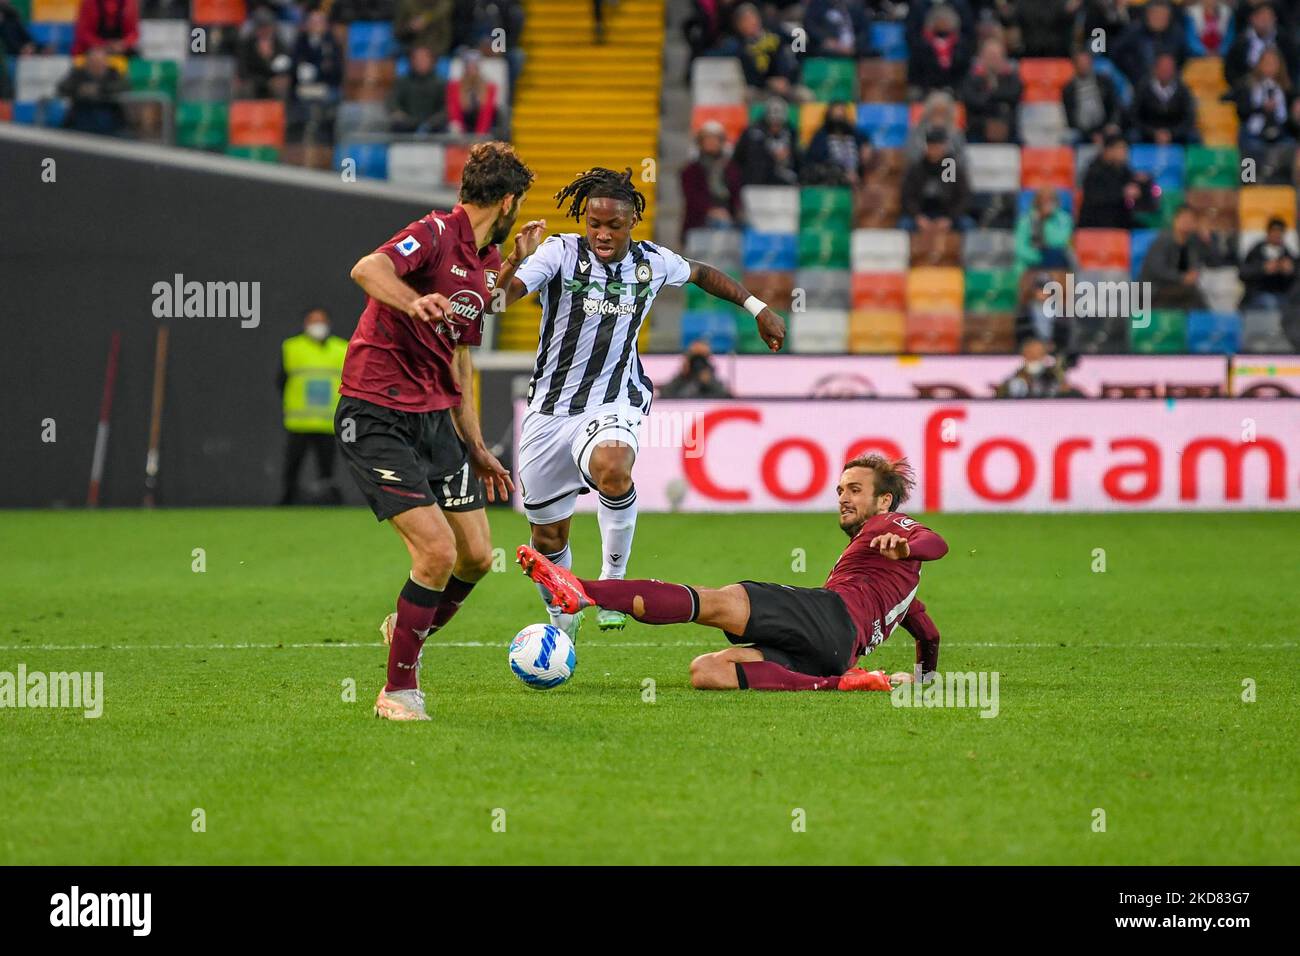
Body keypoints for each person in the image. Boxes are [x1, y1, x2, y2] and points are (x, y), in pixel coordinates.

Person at [496, 167, 786, 638]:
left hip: (614, 399)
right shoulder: (557, 252)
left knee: (614, 467)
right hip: (548, 412)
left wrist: (758, 308)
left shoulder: (652, 262)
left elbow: (704, 274)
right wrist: (512, 261)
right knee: (548, 537)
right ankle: (561, 625)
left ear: (633, 223)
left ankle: (613, 583)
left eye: (613, 225)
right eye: (594, 223)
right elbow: (497, 303)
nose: (602, 233)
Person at [336, 141, 533, 722]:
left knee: (476, 556)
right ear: (508, 200)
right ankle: (397, 691)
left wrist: (476, 446)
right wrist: (413, 301)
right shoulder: (433, 231)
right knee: (437, 552)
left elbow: (463, 355)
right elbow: (367, 268)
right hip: (375, 412)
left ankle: (407, 624)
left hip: (435, 417)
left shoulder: (483, 259)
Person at [517, 455, 946, 692]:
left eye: (855, 490)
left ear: (886, 501)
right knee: (707, 672)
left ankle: (584, 590)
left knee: (718, 601)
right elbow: (929, 635)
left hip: (830, 617)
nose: (843, 498)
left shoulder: (887, 528)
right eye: (839, 490)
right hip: (835, 651)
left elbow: (936, 543)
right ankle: (841, 683)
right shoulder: (900, 590)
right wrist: (925, 679)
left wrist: (908, 543)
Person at [278, 308, 347, 506]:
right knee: (293, 463)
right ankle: (288, 498)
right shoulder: (292, 347)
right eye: (313, 321)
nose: (318, 326)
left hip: (327, 420)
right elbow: (281, 380)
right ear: (305, 324)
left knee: (327, 465)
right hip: (299, 421)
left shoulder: (342, 348)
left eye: (321, 321)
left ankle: (331, 499)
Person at [1138, 204, 1214, 308]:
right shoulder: (1162, 241)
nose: (1187, 223)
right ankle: (1208, 322)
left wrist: (1206, 241)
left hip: (1175, 288)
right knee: (1193, 294)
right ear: (1175, 220)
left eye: (1191, 220)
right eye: (1184, 218)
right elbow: (1157, 270)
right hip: (1153, 288)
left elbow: (1205, 262)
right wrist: (1182, 278)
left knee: (1197, 294)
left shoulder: (1191, 243)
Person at [899, 127, 972, 233]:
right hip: (921, 213)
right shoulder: (917, 168)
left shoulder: (950, 167)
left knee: (967, 224)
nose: (935, 150)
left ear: (944, 146)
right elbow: (907, 196)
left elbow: (962, 196)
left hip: (946, 213)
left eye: (938, 146)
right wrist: (917, 216)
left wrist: (949, 218)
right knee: (904, 224)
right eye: (932, 146)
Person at [679, 120, 742, 240]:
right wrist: (711, 211)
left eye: (715, 139)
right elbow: (692, 198)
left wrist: (732, 213)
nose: (712, 143)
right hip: (699, 222)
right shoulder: (691, 170)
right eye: (708, 139)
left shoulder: (731, 169)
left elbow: (735, 196)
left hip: (728, 218)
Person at [1078, 133, 1155, 229]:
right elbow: (1095, 197)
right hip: (1096, 223)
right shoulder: (1094, 171)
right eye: (1120, 148)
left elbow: (1143, 202)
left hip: (1120, 221)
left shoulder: (1124, 170)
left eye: (1125, 148)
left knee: (1144, 228)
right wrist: (1122, 192)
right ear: (1108, 150)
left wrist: (1145, 182)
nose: (1124, 152)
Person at [1233, 47, 1300, 154]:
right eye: (1267, 63)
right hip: (1253, 134)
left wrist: (1295, 114)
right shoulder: (1247, 86)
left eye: (1274, 63)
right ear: (1259, 64)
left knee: (1291, 146)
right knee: (1251, 148)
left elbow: (1289, 122)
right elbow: (1241, 111)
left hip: (1280, 135)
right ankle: (1250, 170)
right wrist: (1262, 108)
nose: (1270, 67)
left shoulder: (1287, 89)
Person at [723, 2, 799, 97]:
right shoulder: (738, 47)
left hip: (785, 84)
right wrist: (768, 82)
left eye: (752, 17)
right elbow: (749, 76)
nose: (751, 22)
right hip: (760, 89)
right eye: (746, 20)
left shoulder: (775, 34)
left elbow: (793, 54)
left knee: (803, 95)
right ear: (739, 26)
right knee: (748, 95)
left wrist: (786, 78)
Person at [959, 35, 1022, 144]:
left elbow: (1013, 95)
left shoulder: (1012, 78)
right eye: (990, 56)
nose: (993, 60)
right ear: (981, 57)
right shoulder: (971, 78)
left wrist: (987, 95)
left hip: (1008, 132)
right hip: (977, 132)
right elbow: (972, 101)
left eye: (996, 56)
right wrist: (998, 100)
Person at [1112, 0, 1188, 87]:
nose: (1158, 18)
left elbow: (1182, 58)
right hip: (1135, 81)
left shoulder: (1176, 34)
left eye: (1163, 15)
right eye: (1155, 14)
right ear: (1147, 15)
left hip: (1168, 82)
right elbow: (1117, 54)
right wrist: (1133, 70)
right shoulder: (1133, 32)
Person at [1224, 2, 1297, 90]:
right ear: (1252, 19)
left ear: (1275, 19)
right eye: (1261, 17)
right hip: (1248, 89)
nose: (1265, 21)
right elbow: (1231, 71)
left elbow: (1294, 67)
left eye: (1268, 17)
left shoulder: (1285, 41)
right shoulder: (1240, 42)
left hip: (1280, 87)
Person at [57, 46, 127, 135]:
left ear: (106, 62)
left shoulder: (113, 73)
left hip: (109, 115)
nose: (97, 65)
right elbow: (62, 87)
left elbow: (124, 86)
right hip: (81, 116)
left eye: (100, 62)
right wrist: (80, 89)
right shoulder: (78, 73)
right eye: (93, 62)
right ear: (87, 62)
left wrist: (99, 89)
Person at [1132, 52, 1198, 144]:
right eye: (1163, 68)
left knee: (1194, 138)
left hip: (1176, 133)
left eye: (1169, 68)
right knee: (1133, 136)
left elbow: (1189, 118)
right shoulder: (1143, 88)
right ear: (1155, 69)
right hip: (1148, 133)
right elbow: (1134, 116)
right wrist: (1153, 133)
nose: (1166, 71)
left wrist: (1172, 133)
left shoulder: (1183, 90)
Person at [732, 96, 800, 186]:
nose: (776, 126)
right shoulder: (752, 133)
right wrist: (771, 156)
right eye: (773, 123)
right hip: (757, 180)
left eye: (779, 123)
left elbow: (797, 157)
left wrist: (789, 154)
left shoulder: (791, 132)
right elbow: (740, 157)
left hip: (784, 178)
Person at [802, 100, 873, 185]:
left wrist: (866, 145)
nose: (839, 116)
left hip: (857, 174)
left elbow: (865, 141)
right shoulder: (821, 136)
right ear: (829, 116)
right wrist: (842, 173)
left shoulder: (854, 134)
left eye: (841, 114)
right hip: (833, 177)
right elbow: (815, 160)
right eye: (835, 114)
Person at [1063, 49, 1122, 145]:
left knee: (1118, 134)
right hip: (1082, 131)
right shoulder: (1068, 89)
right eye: (1080, 63)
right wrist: (1090, 135)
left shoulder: (1104, 82)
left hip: (1105, 127)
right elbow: (1071, 120)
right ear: (1074, 65)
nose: (1084, 66)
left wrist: (1112, 124)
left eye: (1086, 62)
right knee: (1069, 137)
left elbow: (1115, 106)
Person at [387, 44, 447, 133]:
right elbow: (392, 103)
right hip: (405, 132)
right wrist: (405, 120)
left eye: (424, 58)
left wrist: (430, 123)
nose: (420, 62)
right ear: (411, 61)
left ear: (432, 61)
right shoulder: (402, 82)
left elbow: (446, 109)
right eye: (417, 59)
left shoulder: (441, 83)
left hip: (434, 133)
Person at [1240, 216, 1297, 309]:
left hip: (1282, 295)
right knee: (1270, 302)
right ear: (1268, 232)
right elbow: (1243, 273)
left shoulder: (1287, 253)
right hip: (1258, 295)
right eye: (1274, 231)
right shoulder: (1256, 251)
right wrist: (1263, 268)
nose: (1277, 235)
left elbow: (1295, 277)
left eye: (1280, 232)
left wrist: (1289, 271)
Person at [237, 9, 292, 100]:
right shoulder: (246, 45)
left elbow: (285, 66)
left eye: (267, 27)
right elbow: (242, 69)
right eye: (261, 28)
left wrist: (268, 58)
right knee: (245, 87)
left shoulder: (279, 44)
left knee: (281, 85)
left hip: (273, 78)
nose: (265, 31)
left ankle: (279, 113)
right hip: (254, 79)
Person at [1014, 186, 1073, 270]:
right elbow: (1019, 248)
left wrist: (1045, 222)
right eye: (1044, 201)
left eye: (1050, 200)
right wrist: (1038, 259)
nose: (1047, 204)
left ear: (1056, 202)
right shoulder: (1025, 221)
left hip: (1056, 261)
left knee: (1057, 255)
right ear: (1037, 202)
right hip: (1031, 264)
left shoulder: (1064, 219)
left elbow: (1061, 241)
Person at [446, 50, 499, 136]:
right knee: (453, 126)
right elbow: (454, 111)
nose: (471, 69)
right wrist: (462, 136)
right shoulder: (454, 86)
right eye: (469, 66)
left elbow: (487, 112)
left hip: (482, 131)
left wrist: (479, 136)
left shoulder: (490, 87)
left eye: (474, 66)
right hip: (462, 131)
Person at [904, 90, 966, 160]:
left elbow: (961, 161)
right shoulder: (915, 131)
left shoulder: (956, 133)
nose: (939, 117)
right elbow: (911, 156)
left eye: (943, 114)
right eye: (935, 113)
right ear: (928, 113)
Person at [997, 337, 1069, 397]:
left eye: (1039, 354)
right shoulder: (1016, 377)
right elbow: (1002, 393)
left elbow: (1064, 392)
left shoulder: (1053, 376)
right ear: (1024, 356)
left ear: (1044, 356)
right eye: (1031, 354)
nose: (1034, 358)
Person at [660, 341, 731, 398]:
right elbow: (665, 394)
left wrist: (709, 382)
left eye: (702, 358)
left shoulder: (713, 379)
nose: (698, 362)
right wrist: (682, 375)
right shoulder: (682, 377)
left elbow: (723, 397)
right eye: (695, 357)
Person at [72, 0, 139, 57]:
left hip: (120, 49)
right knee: (97, 57)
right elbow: (83, 32)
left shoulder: (128, 3)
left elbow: (133, 32)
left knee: (139, 60)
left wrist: (123, 44)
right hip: (92, 48)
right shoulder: (90, 2)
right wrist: (102, 45)